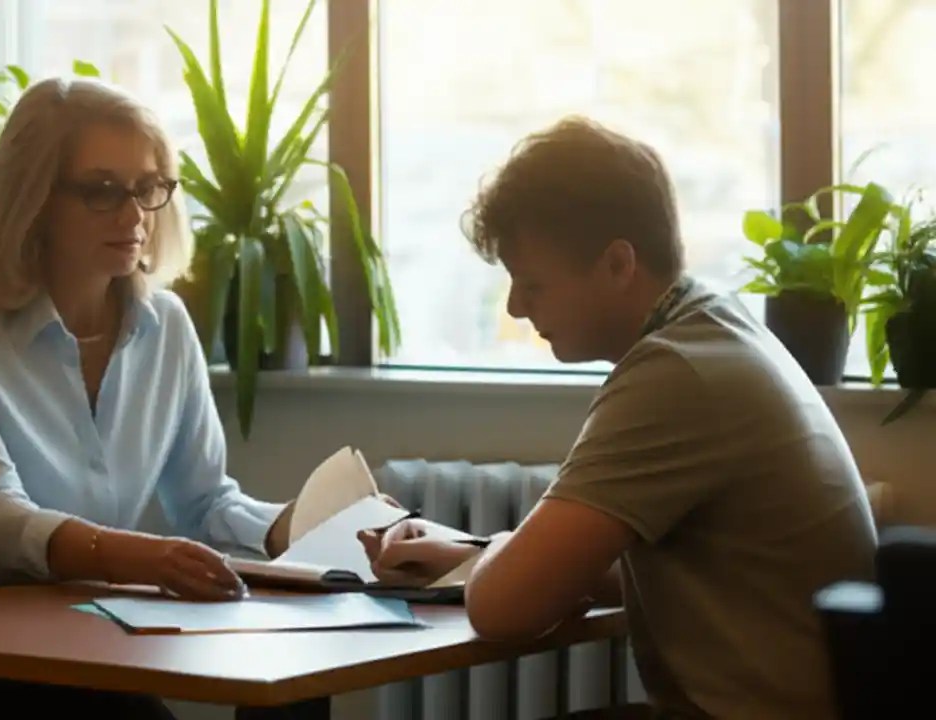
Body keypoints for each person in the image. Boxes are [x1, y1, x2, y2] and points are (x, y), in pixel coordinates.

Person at [359, 117, 879, 719]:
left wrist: (495, 560)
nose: (514, 307)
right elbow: (641, 574)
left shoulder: (675, 374)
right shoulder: (712, 328)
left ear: (617, 264)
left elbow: (502, 610)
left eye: (533, 284)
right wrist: (470, 553)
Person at [0, 77, 300, 719]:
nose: (134, 217)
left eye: (148, 188)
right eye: (101, 191)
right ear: (33, 200)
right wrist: (132, 555)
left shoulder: (169, 326)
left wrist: (304, 526)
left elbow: (205, 500)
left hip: (82, 638)